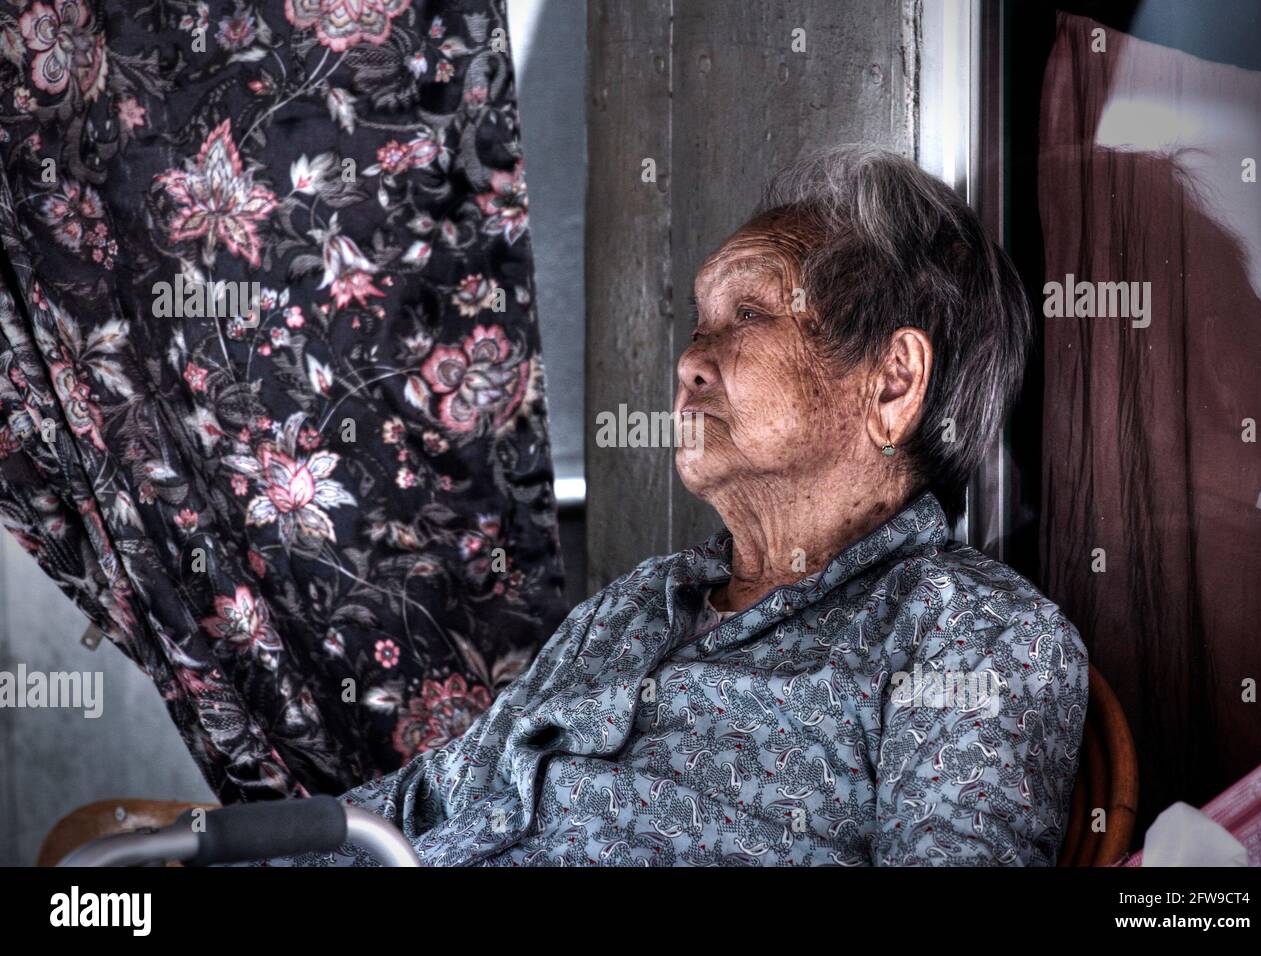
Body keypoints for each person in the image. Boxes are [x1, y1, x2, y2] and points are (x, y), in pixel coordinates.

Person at [267, 145, 1088, 867]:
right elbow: (413, 810)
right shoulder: (637, 606)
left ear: (894, 382)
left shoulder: (967, 636)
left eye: (750, 314)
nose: (691, 360)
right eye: (699, 321)